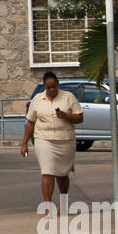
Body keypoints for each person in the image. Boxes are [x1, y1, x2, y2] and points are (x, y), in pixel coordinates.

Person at [21, 71, 83, 207]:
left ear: (58, 84)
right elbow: (30, 122)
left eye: (54, 86)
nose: (52, 90)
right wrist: (24, 143)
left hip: (65, 140)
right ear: (44, 86)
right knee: (47, 171)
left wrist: (66, 116)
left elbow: (79, 117)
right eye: (48, 87)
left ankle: (63, 203)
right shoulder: (37, 99)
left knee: (62, 174)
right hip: (44, 139)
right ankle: (48, 206)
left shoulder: (68, 97)